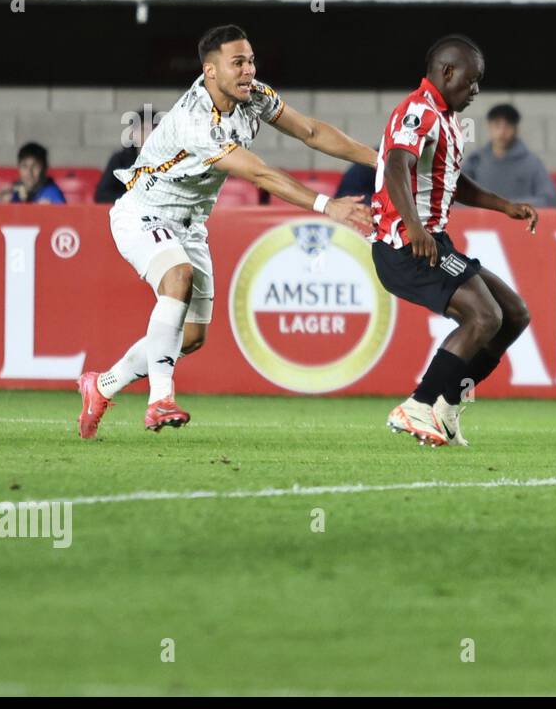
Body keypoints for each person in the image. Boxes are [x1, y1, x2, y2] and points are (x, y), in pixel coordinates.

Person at [76, 25, 376, 439]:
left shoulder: (254, 97)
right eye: (238, 63)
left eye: (251, 60)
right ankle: (160, 400)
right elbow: (259, 172)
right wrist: (327, 205)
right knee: (177, 277)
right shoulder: (195, 120)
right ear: (211, 71)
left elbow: (310, 131)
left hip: (191, 224)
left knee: (193, 336)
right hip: (144, 214)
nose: (248, 70)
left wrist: (381, 161)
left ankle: (101, 385)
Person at [373, 35, 538, 448]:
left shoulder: (445, 117)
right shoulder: (419, 110)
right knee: (484, 317)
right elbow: (397, 165)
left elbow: (452, 181)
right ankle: (420, 403)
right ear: (447, 72)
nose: (477, 90)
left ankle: (446, 407)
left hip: (430, 241)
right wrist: (413, 226)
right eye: (472, 79)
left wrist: (504, 206)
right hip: (404, 245)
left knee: (514, 314)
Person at [461, 103, 556, 208]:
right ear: (489, 127)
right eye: (497, 125)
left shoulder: (532, 163)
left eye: (508, 126)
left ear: (516, 129)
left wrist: (509, 207)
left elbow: (550, 200)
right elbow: (452, 196)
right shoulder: (475, 160)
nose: (502, 132)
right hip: (479, 223)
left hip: (519, 222)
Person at [94, 112, 154, 204]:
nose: (148, 134)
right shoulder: (119, 160)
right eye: (143, 129)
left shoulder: (167, 161)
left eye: (152, 130)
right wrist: (132, 199)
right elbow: (101, 195)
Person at [1, 143, 66, 204]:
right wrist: (3, 205)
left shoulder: (52, 194)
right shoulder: (13, 193)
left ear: (45, 168)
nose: (29, 172)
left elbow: (63, 214)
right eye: (24, 166)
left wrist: (50, 212)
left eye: (35, 166)